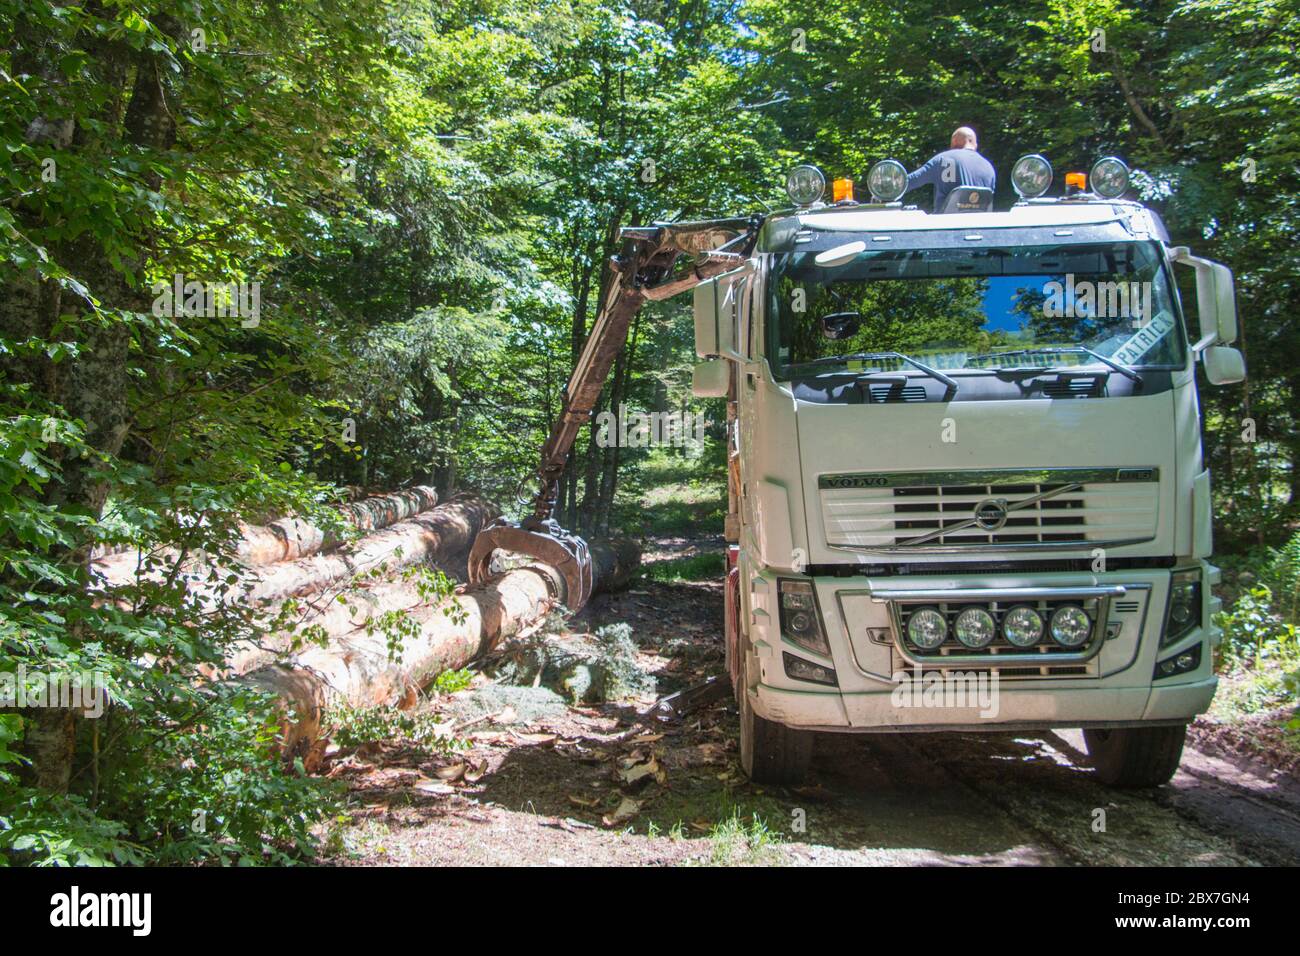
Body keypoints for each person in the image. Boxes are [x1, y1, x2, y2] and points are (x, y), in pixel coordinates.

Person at [904, 127, 996, 213]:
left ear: (954, 141)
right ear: (973, 143)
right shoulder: (989, 167)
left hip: (945, 225)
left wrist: (893, 189)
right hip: (979, 226)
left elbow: (912, 181)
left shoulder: (944, 159)